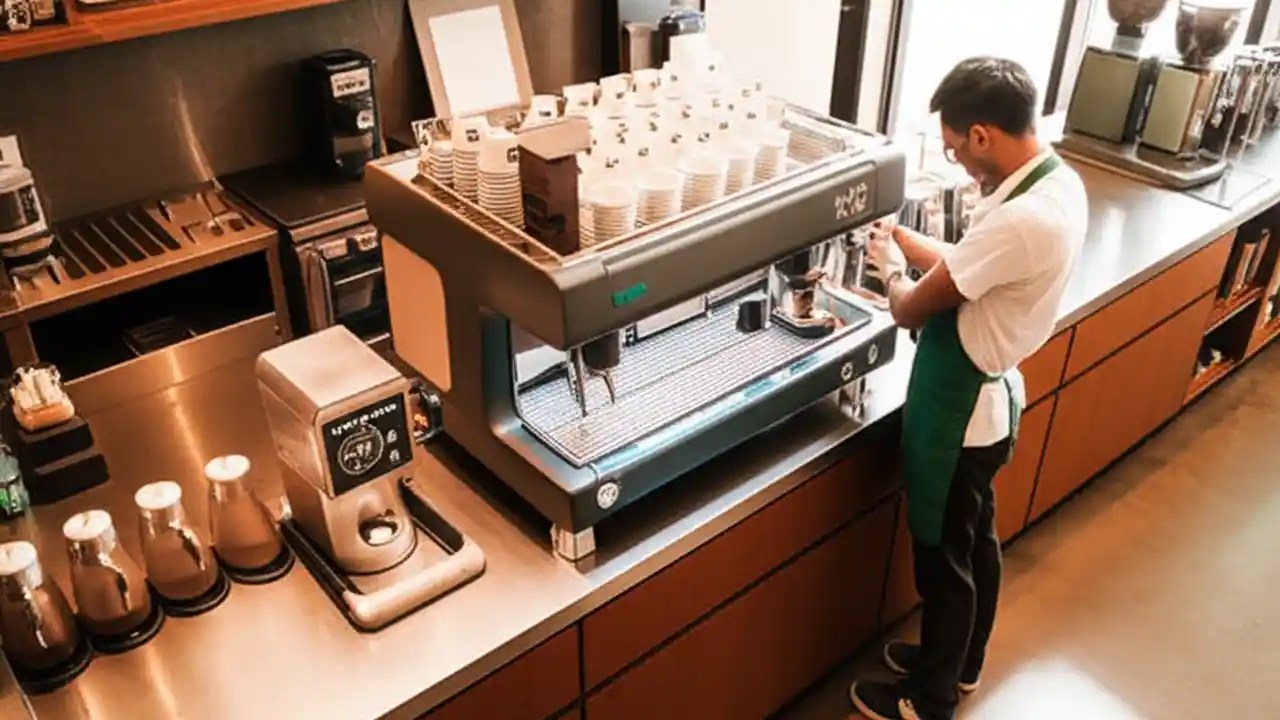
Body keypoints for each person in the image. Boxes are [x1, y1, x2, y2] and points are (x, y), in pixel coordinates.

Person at [849, 57, 1089, 720]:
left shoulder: (1020, 220)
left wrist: (892, 271)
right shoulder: (1056, 185)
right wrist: (902, 239)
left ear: (983, 134)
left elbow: (910, 308)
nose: (956, 162)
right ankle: (958, 663)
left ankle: (928, 699)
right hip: (995, 399)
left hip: (961, 416)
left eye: (956, 149)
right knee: (977, 545)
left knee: (943, 563)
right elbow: (967, 267)